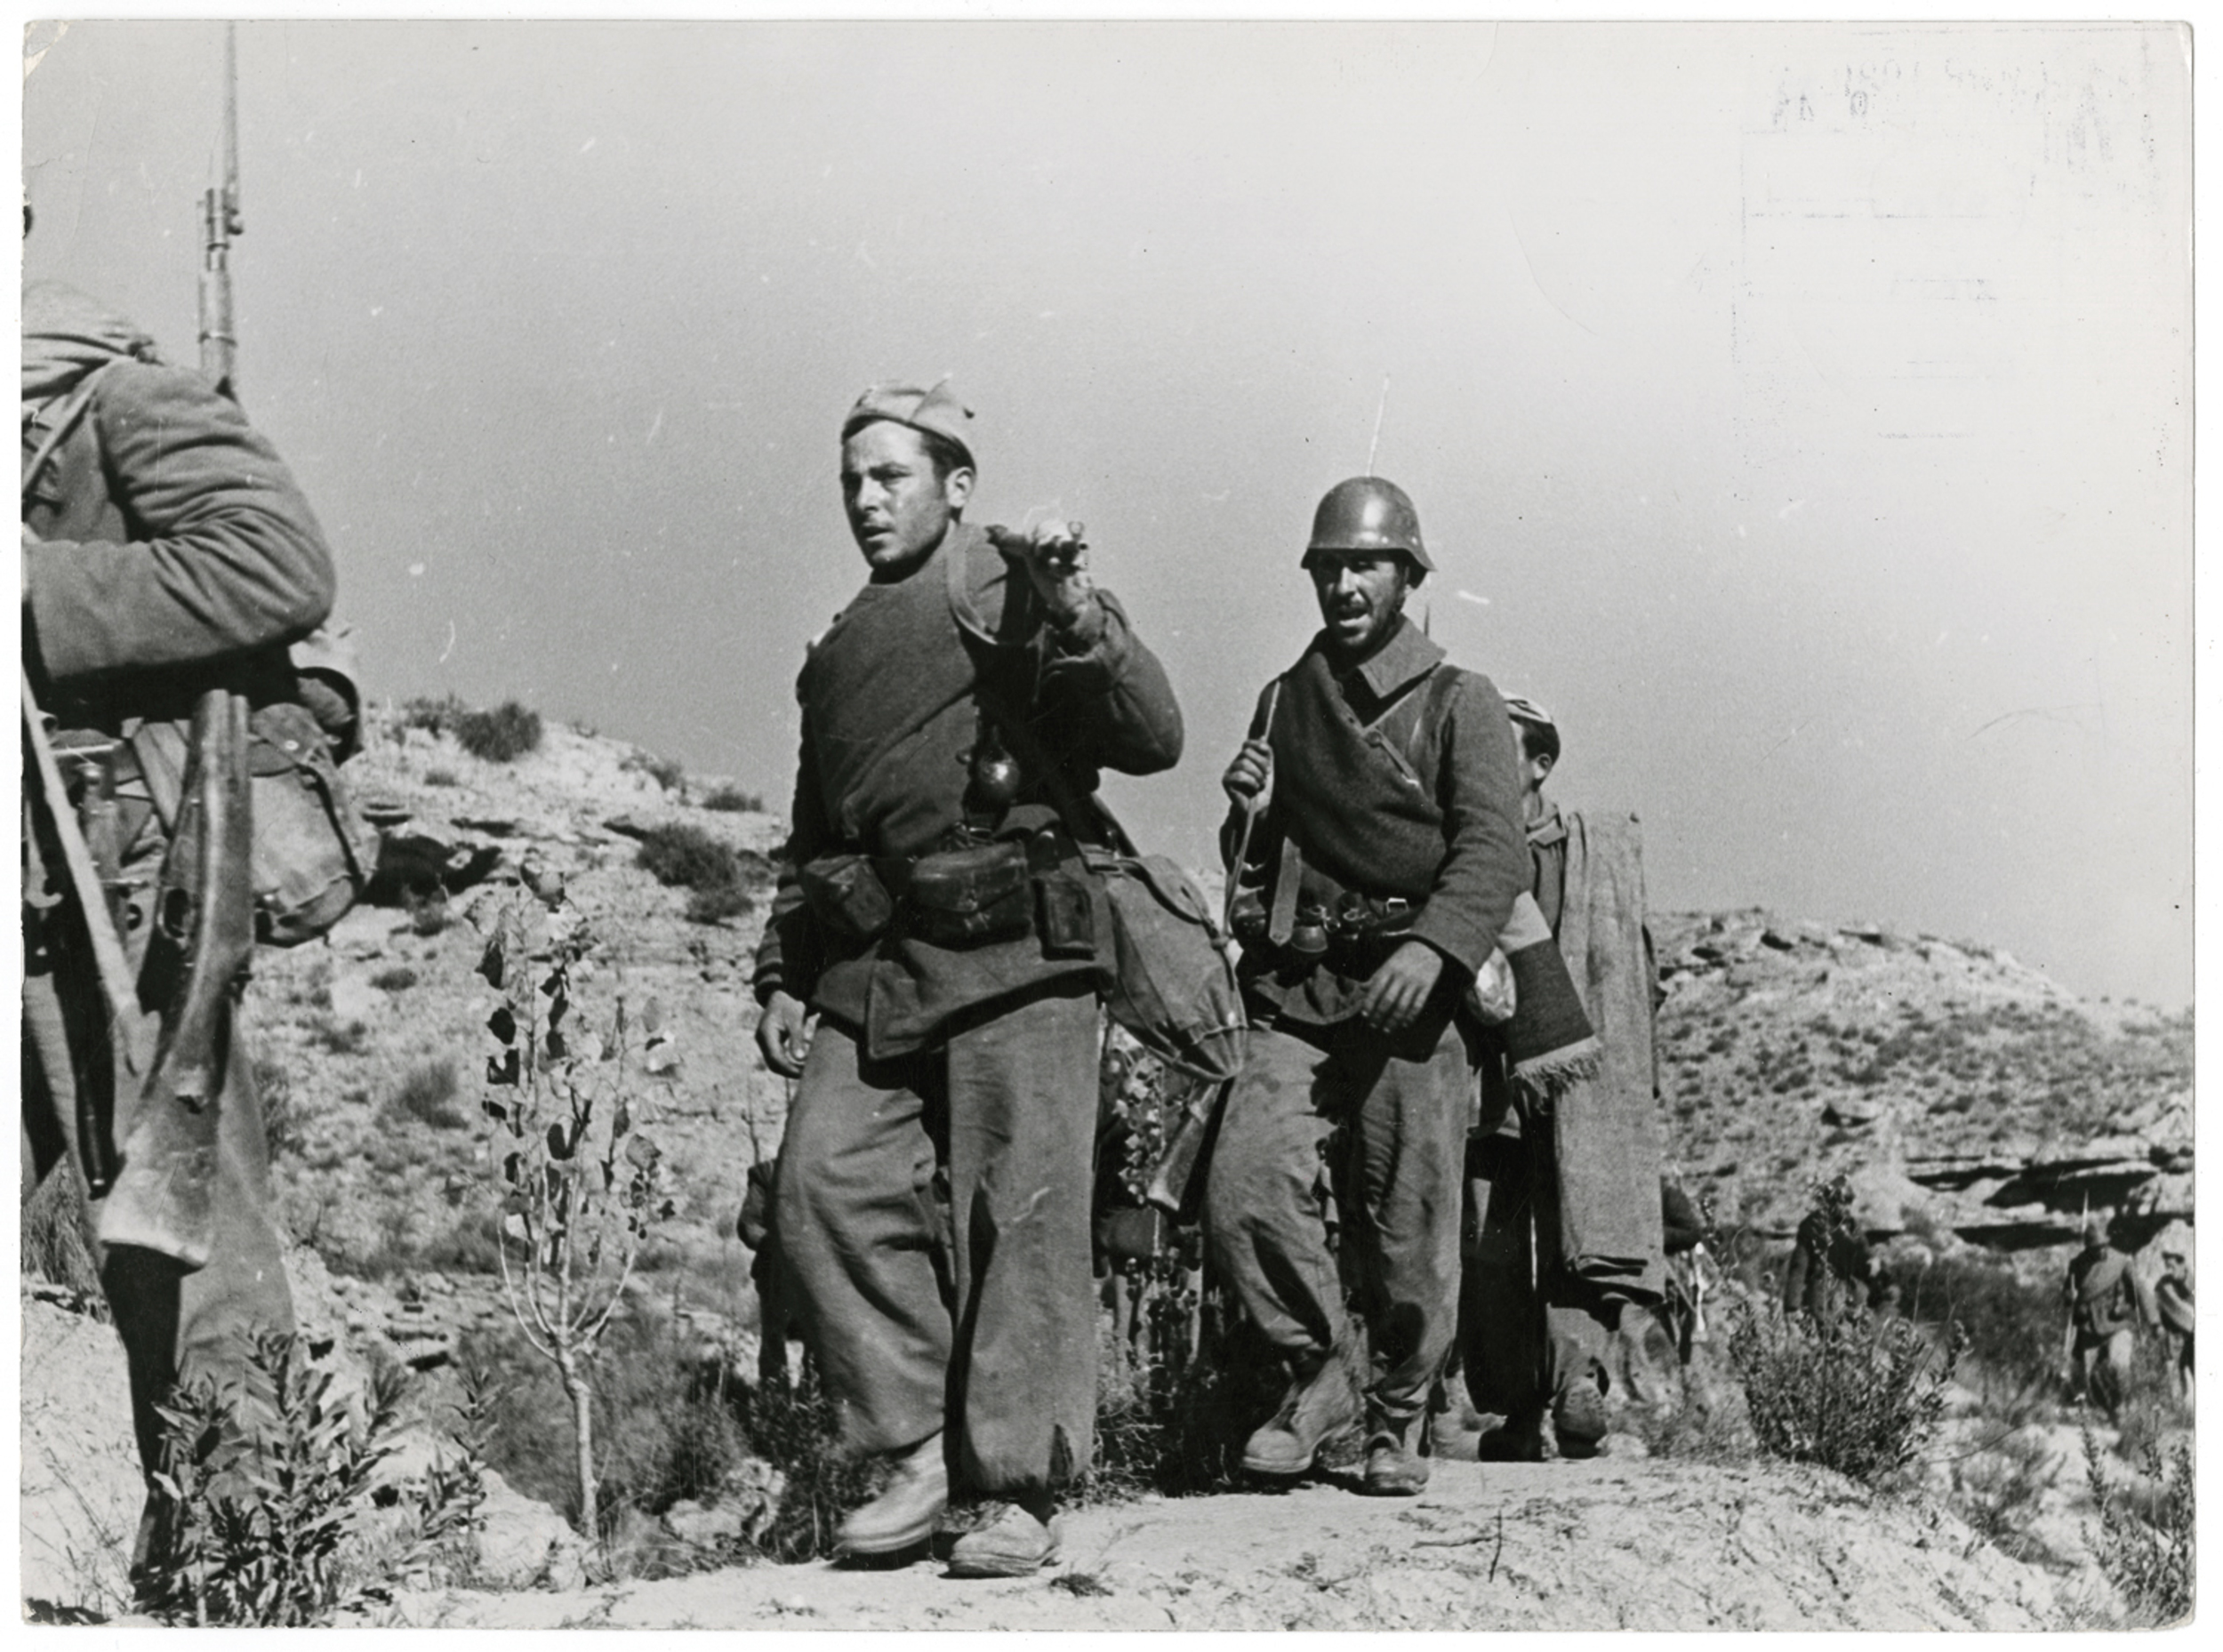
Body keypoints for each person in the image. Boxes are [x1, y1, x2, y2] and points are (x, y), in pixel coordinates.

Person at [752, 381, 1183, 1576]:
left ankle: (1016, 1490)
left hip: (1018, 940)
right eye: (850, 479)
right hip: (888, 958)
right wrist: (783, 967)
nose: (865, 500)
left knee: (1023, 1215)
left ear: (956, 484)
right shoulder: (839, 645)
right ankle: (917, 1446)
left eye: (889, 476)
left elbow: (1153, 733)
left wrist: (1079, 607)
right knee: (823, 1179)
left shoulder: (999, 578)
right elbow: (813, 827)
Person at [21, 278, 334, 1584]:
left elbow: (281, 562)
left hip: (121, 880)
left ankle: (240, 1543)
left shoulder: (110, 398)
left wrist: (35, 590)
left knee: (185, 1226)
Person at [1207, 476, 1536, 1496]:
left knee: (1411, 1218)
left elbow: (1493, 852)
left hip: (1412, 994)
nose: (1345, 584)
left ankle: (1399, 1414)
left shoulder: (1460, 701)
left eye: (1367, 564)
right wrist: (1245, 813)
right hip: (1302, 987)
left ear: (1408, 574)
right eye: (1330, 565)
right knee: (1244, 1184)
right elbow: (1258, 866)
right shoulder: (1283, 697)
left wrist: (1431, 952)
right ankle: (1319, 1374)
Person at [1458, 694, 1667, 1460]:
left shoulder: (1585, 853)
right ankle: (1515, 1404)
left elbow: (1631, 969)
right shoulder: (1465, 856)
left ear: (1541, 764)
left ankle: (1581, 1385)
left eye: (1497, 753)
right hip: (1488, 1081)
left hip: (1581, 1078)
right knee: (1493, 1241)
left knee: (1580, 1225)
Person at [2064, 1214, 2139, 1420]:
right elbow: (2068, 1293)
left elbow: (2138, 1292)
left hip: (2116, 1324)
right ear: (2088, 1248)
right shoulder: (2077, 1265)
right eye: (2096, 1247)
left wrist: (2134, 1311)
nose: (2101, 1250)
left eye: (2103, 1245)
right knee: (2091, 1377)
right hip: (2090, 1325)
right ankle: (2109, 1410)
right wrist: (2070, 1297)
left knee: (2118, 1364)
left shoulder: (2121, 1261)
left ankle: (2123, 1405)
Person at [2152, 1246, 2194, 1407]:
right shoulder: (2163, 1285)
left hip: (2195, 1334)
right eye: (2166, 1267)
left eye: (2172, 1266)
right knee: (2173, 1370)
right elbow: (2157, 1306)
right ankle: (2177, 1408)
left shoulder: (2196, 1281)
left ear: (2182, 1263)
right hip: (2172, 1334)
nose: (2169, 1271)